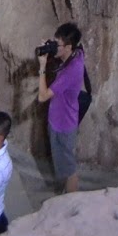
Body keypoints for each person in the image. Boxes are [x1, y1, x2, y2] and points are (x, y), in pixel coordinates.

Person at [37, 21, 86, 193]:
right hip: (58, 118)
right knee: (63, 165)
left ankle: (71, 202)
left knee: (69, 170)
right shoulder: (77, 54)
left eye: (58, 45)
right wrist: (51, 47)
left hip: (63, 126)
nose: (55, 47)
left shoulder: (71, 71)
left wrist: (42, 67)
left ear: (68, 47)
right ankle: (64, 193)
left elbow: (42, 97)